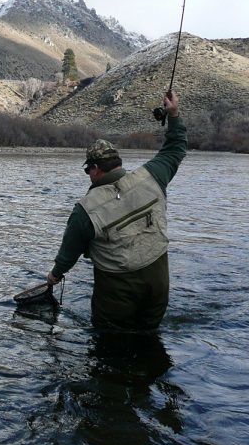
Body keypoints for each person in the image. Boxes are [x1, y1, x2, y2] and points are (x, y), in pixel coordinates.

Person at [46, 91, 187, 330]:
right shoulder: (152, 175)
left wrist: (54, 276)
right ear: (118, 162)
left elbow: (69, 254)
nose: (88, 175)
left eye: (87, 170)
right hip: (158, 285)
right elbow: (175, 148)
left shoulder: (85, 210)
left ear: (95, 169)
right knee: (149, 337)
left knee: (110, 345)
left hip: (117, 294)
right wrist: (173, 114)